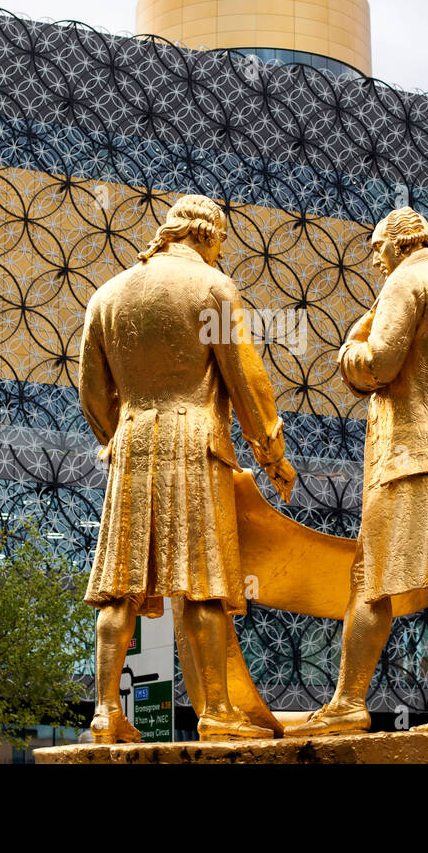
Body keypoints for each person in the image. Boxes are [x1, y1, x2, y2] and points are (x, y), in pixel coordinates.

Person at [284, 206, 428, 737]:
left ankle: (347, 702)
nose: (374, 262)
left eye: (375, 250)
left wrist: (350, 347)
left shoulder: (406, 280)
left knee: (372, 580)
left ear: (398, 244)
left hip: (416, 451)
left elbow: (379, 365)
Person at [77, 194, 296, 743]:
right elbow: (246, 380)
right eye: (221, 241)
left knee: (116, 585)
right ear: (205, 234)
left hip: (132, 445)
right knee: (203, 584)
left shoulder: (107, 295)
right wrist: (271, 454)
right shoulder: (212, 288)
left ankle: (105, 713)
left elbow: (92, 394)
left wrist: (116, 437)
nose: (221, 251)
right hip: (195, 443)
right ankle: (218, 711)